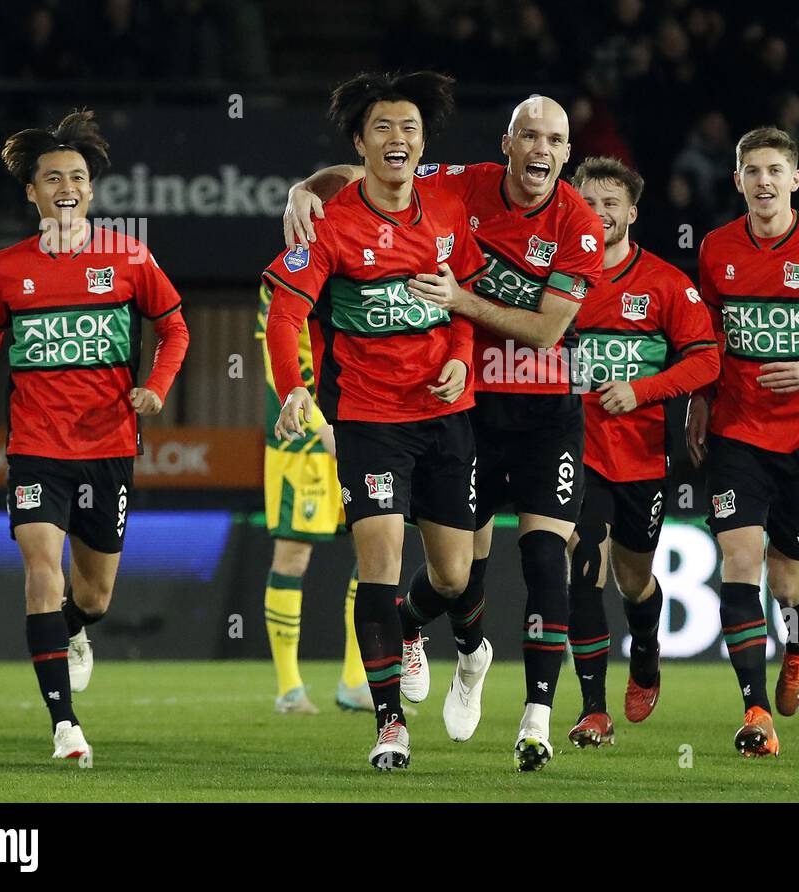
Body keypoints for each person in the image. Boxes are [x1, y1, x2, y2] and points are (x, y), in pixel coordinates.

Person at [283, 94, 604, 771]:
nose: (542, 149)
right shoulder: (459, 187)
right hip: (451, 404)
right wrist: (305, 188)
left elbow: (546, 329)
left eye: (555, 139)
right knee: (419, 567)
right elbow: (376, 171)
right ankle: (398, 713)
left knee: (496, 566)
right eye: (530, 136)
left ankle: (513, 692)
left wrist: (460, 309)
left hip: (538, 411)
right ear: (508, 144)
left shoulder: (577, 226)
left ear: (566, 153)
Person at [0, 109, 189, 762]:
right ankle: (65, 726)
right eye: (52, 177)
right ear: (32, 192)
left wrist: (156, 389)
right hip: (35, 450)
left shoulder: (129, 256)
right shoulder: (7, 267)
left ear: (89, 188)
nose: (65, 186)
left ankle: (74, 632)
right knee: (41, 577)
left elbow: (175, 330)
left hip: (107, 449)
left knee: (93, 595)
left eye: (76, 176)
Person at [264, 70, 485, 770]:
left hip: (446, 413)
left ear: (424, 143)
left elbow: (466, 295)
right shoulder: (328, 226)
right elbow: (285, 310)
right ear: (360, 143)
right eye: (383, 127)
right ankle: (389, 722)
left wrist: (460, 354)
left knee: (452, 577)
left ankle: (421, 633)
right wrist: (293, 387)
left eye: (409, 127)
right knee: (379, 563)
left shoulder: (450, 203)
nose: (398, 138)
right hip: (368, 418)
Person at [688, 126, 799, 758]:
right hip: (737, 430)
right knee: (739, 561)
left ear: (795, 179)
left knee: (787, 577)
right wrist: (699, 402)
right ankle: (755, 709)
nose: (763, 183)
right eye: (752, 172)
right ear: (736, 180)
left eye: (775, 171)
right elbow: (705, 337)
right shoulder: (716, 249)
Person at [563, 156, 718, 747]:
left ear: (631, 212)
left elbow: (706, 359)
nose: (599, 213)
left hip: (641, 458)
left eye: (611, 204)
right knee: (583, 566)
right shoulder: (555, 277)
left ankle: (647, 654)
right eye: (588, 202)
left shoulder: (663, 283)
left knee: (634, 580)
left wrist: (642, 390)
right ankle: (593, 709)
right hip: (575, 453)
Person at [255, 281, 372, 714]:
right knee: (292, 556)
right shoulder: (284, 276)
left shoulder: (356, 258)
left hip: (357, 425)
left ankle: (355, 681)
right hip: (301, 443)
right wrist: (321, 423)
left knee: (375, 550)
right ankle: (289, 688)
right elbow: (281, 354)